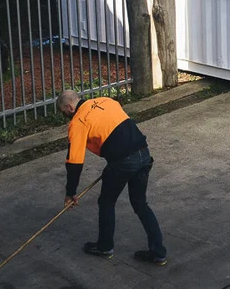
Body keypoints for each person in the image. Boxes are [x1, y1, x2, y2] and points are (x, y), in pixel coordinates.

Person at [56, 90, 168, 266]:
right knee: (140, 204)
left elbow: (74, 162)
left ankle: (105, 246)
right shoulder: (106, 101)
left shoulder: (78, 122)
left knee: (107, 202)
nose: (65, 116)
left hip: (123, 162)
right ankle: (159, 252)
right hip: (144, 153)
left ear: (69, 107)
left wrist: (70, 192)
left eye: (64, 112)